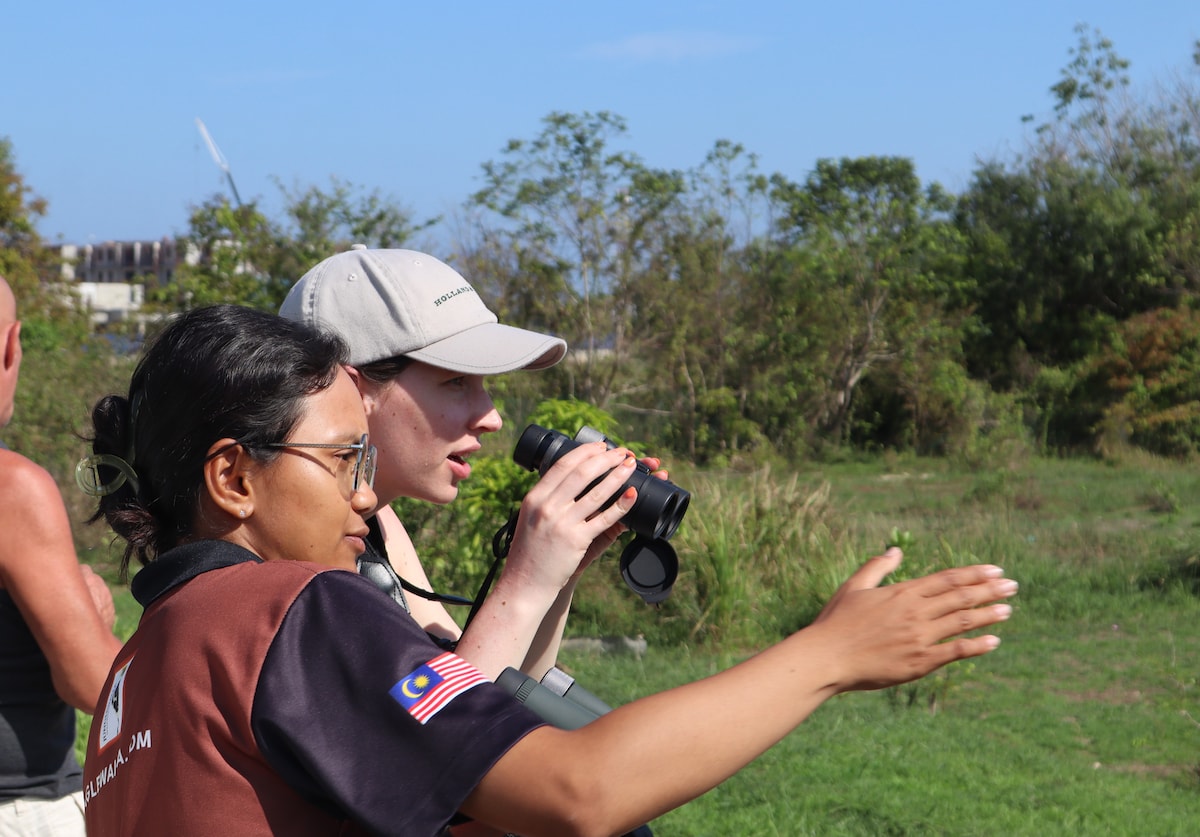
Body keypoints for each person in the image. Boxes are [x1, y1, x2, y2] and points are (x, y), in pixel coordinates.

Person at [80, 304, 1017, 837]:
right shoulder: (291, 607)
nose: (367, 498)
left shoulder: (138, 668)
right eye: (344, 461)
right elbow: (580, 789)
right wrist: (825, 655)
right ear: (234, 475)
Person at [280, 247, 661, 680]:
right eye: (455, 381)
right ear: (350, 391)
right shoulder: (284, 552)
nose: (493, 417)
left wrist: (560, 571)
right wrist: (525, 583)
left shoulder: (378, 521)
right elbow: (450, 729)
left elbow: (506, 691)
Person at [0, 275, 122, 835]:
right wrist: (94, 615)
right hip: (20, 805)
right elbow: (94, 683)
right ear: (11, 346)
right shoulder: (11, 488)